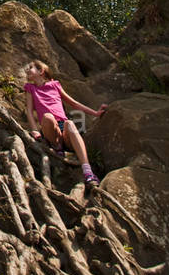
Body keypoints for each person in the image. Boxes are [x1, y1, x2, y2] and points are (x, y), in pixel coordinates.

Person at [22, 59, 107, 188]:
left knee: (70, 124)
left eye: (31, 67)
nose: (28, 70)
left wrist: (95, 113)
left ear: (41, 71)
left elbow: (73, 103)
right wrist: (34, 130)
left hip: (63, 128)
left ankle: (87, 171)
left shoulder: (55, 85)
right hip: (49, 128)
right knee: (48, 117)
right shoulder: (31, 89)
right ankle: (57, 147)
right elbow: (29, 111)